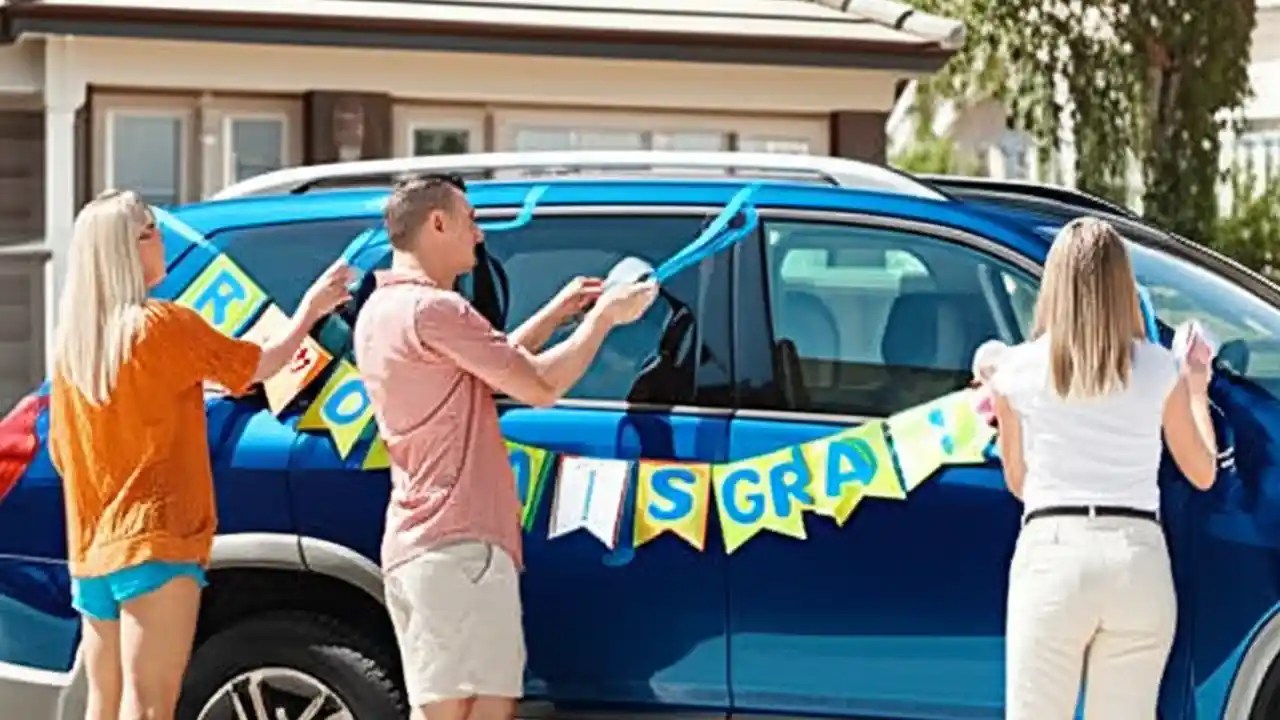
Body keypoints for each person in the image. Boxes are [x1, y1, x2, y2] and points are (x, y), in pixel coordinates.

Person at [353, 175, 657, 720]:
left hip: (429, 544)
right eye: (469, 217)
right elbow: (539, 386)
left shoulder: (384, 310)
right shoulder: (434, 309)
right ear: (436, 222)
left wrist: (559, 313)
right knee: (470, 710)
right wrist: (604, 321)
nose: (479, 231)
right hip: (458, 544)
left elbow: (491, 370)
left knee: (468, 705)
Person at [48, 189, 353, 720]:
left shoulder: (76, 350)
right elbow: (262, 364)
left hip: (94, 549)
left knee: (105, 704)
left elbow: (61, 453)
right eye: (149, 229)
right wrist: (311, 309)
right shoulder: (161, 326)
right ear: (124, 249)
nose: (161, 238)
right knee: (150, 707)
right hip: (158, 540)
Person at [985, 216, 1218, 719]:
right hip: (1138, 562)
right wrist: (1197, 387)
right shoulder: (1160, 369)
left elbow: (1019, 482)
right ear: (1122, 286)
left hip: (1054, 556)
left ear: (1054, 285)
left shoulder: (1014, 371)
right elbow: (1202, 471)